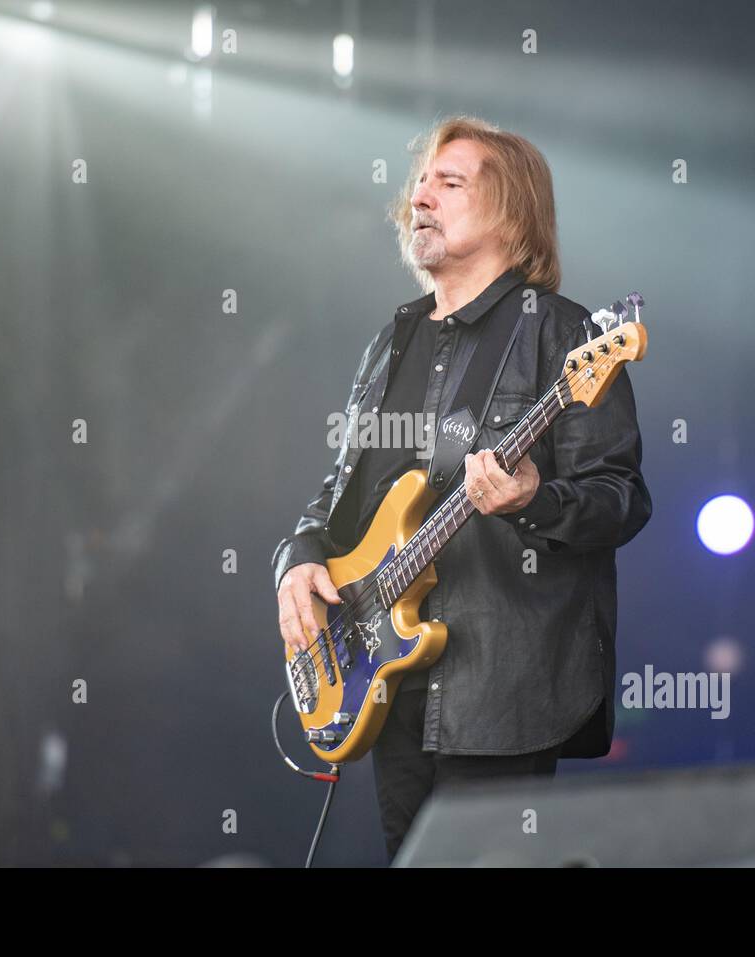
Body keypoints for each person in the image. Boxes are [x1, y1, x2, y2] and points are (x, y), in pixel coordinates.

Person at [272, 115, 652, 863]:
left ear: (513, 211)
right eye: (421, 184)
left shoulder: (564, 337)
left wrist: (535, 498)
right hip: (385, 674)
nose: (422, 198)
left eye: (450, 183)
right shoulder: (392, 343)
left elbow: (621, 497)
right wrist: (296, 558)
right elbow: (340, 494)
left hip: (504, 688)